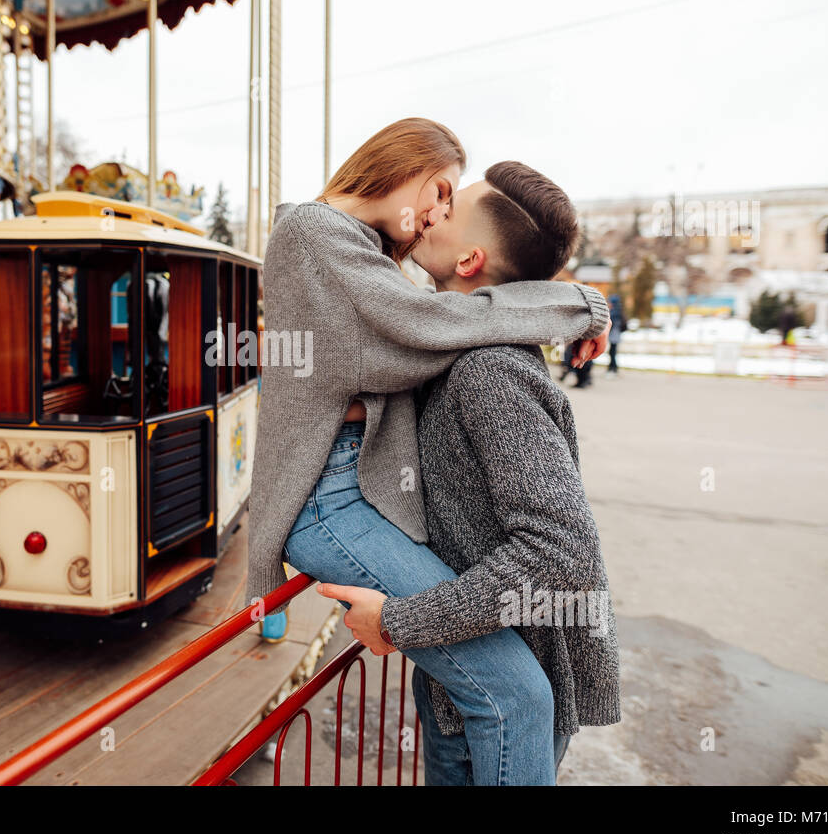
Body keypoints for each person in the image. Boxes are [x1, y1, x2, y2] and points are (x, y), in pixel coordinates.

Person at [247, 119, 611, 785]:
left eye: (450, 205)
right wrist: (578, 304)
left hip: (355, 492)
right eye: (439, 191)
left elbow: (437, 322)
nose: (438, 214)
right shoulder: (313, 232)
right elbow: (426, 323)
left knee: (505, 697)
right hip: (330, 497)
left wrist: (403, 619)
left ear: (471, 260)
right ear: (405, 161)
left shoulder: (378, 266)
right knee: (514, 696)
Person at [606, 294, 625, 375]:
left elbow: (611, 324)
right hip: (616, 335)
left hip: (614, 335)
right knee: (612, 352)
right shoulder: (619, 311)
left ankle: (612, 369)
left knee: (612, 352)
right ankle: (612, 368)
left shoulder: (614, 312)